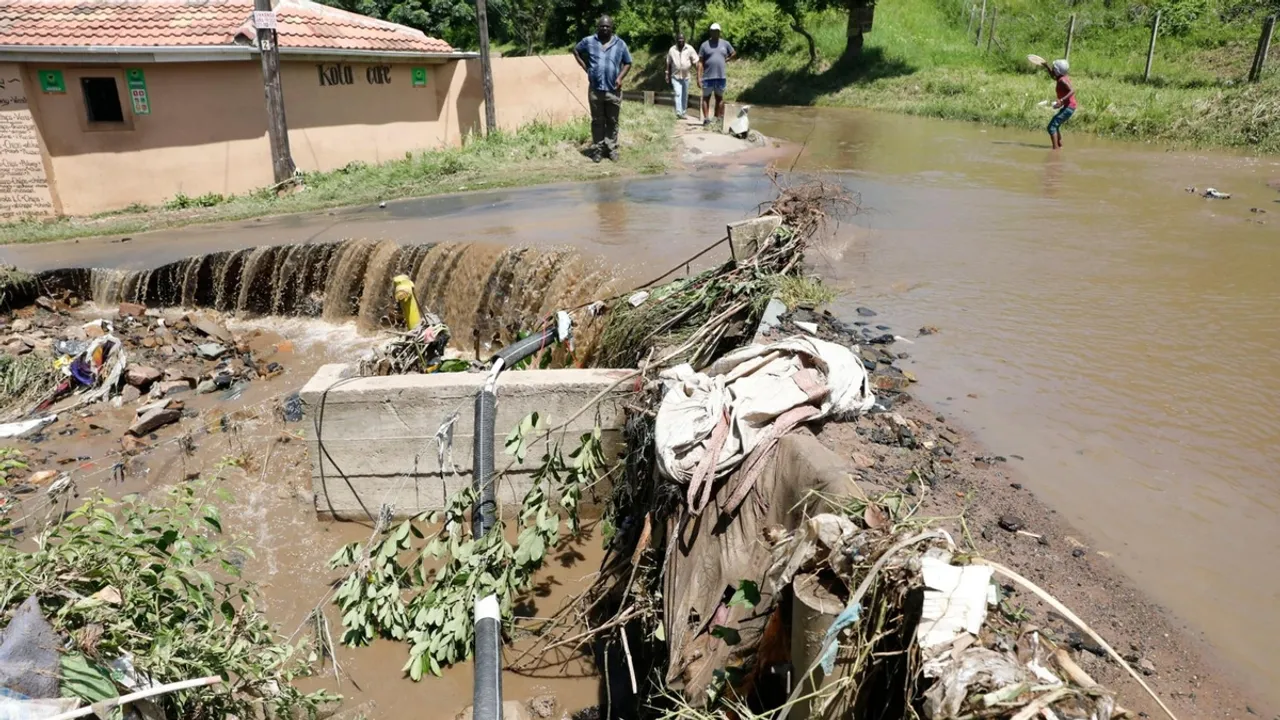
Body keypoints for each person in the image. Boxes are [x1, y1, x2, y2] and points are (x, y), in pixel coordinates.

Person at [573, 16, 633, 162]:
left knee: (612, 120)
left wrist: (619, 78)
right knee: (597, 120)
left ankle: (611, 149)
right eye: (602, 26)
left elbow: (628, 62)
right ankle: (598, 149)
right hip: (595, 89)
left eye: (607, 26)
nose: (605, 28)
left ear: (612, 28)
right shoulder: (589, 41)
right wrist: (585, 67)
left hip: (613, 89)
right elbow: (576, 50)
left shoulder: (620, 44)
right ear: (597, 27)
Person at [697, 23, 735, 127]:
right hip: (707, 77)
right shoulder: (704, 45)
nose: (715, 33)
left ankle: (717, 118)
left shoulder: (725, 44)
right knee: (706, 98)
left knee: (719, 98)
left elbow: (733, 53)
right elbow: (700, 62)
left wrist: (726, 59)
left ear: (719, 32)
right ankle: (706, 119)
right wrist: (698, 78)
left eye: (717, 31)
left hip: (721, 77)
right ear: (710, 32)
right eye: (713, 31)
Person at [1044, 58, 1076, 150]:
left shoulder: (1062, 81)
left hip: (1069, 107)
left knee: (1051, 127)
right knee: (1055, 125)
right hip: (1069, 106)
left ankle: (1056, 150)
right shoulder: (1060, 78)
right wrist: (1047, 66)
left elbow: (1072, 90)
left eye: (1054, 68)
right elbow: (1053, 76)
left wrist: (1061, 100)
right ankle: (1059, 145)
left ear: (1057, 71)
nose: (1053, 69)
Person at [665, 32, 698, 120]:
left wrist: (699, 72)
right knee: (677, 93)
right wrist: (667, 74)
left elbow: (695, 60)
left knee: (684, 95)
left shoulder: (689, 49)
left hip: (686, 76)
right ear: (676, 41)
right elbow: (668, 62)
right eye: (679, 40)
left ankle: (683, 112)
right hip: (675, 76)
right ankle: (678, 112)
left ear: (685, 40)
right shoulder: (672, 49)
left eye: (682, 40)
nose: (681, 42)